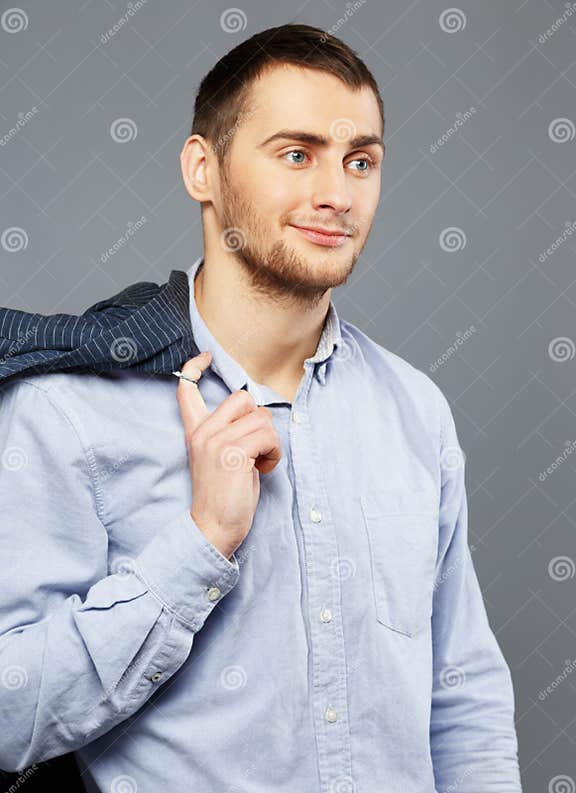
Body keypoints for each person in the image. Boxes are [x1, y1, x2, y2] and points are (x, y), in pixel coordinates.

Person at [0, 22, 523, 793]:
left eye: (361, 161)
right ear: (202, 169)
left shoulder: (415, 410)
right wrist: (201, 541)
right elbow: (12, 718)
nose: (336, 193)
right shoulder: (68, 410)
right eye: (296, 154)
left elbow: (464, 692)